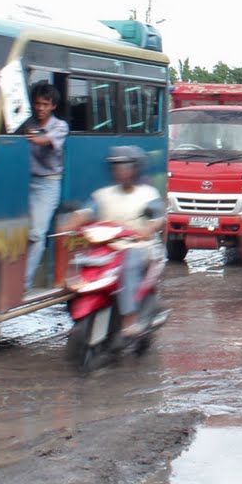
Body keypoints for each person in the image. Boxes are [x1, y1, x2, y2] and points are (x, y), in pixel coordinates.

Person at [63, 145, 164, 339]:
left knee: (129, 267)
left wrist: (147, 230)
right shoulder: (103, 194)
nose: (121, 171)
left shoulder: (148, 193)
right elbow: (84, 213)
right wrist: (67, 227)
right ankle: (78, 318)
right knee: (78, 268)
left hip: (137, 247)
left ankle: (129, 319)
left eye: (126, 167)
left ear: (136, 169)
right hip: (107, 247)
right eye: (117, 167)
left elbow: (158, 218)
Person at [22, 81, 69, 291]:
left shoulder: (60, 126)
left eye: (45, 104)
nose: (40, 108)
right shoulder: (28, 122)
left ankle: (25, 283)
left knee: (36, 234)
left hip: (47, 184)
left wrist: (28, 134)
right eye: (37, 104)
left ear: (53, 106)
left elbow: (44, 140)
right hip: (24, 181)